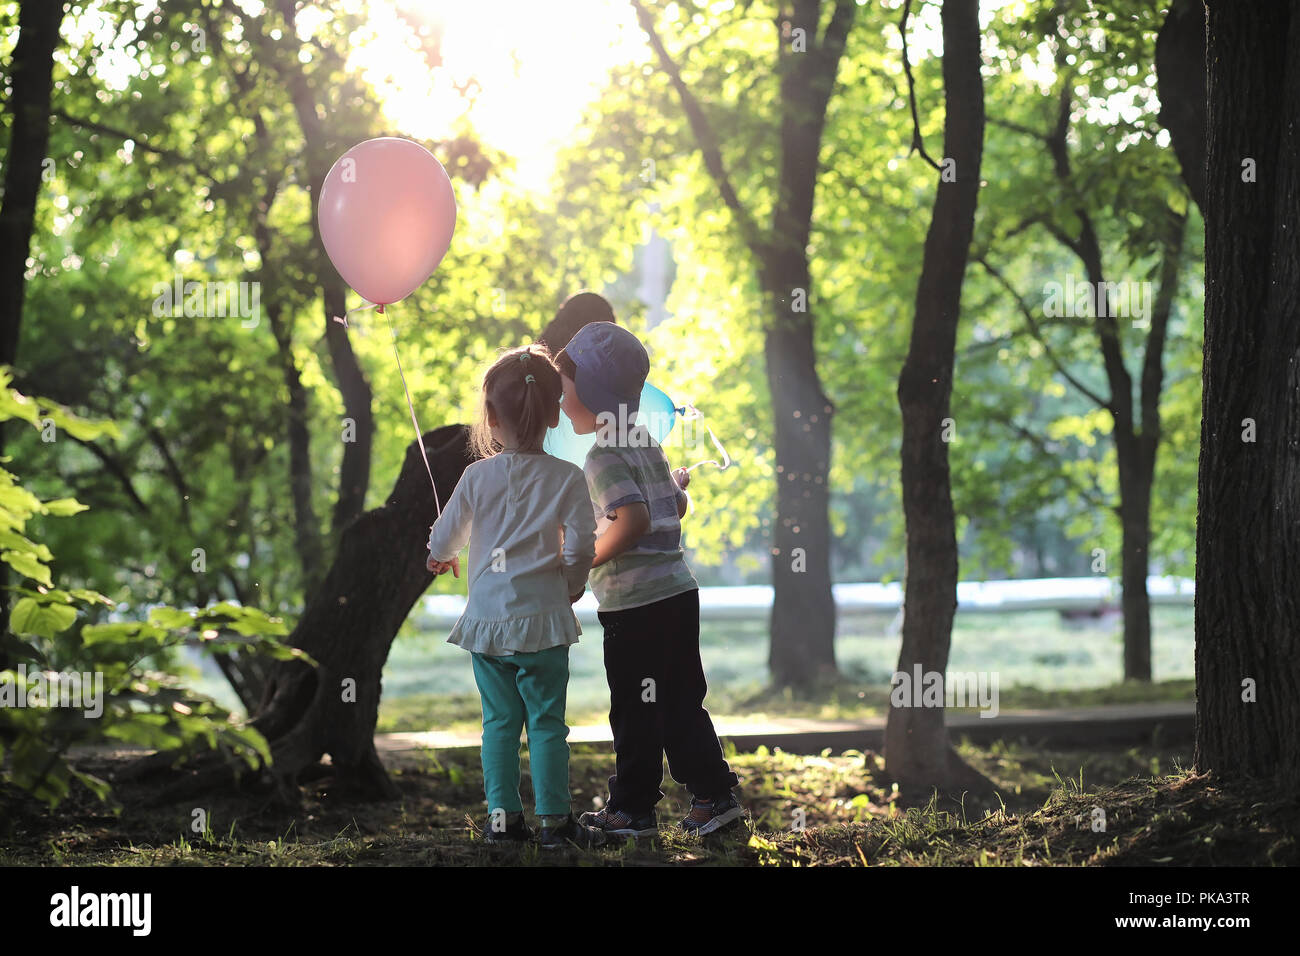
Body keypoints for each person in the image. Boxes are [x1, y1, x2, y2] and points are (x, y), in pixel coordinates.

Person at [554, 321, 744, 838]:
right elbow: (673, 510)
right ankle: (714, 798)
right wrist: (674, 488)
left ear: (589, 391)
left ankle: (631, 811)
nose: (558, 396)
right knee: (682, 701)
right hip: (678, 595)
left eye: (563, 385)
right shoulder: (643, 443)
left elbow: (631, 521)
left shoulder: (602, 457)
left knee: (636, 712)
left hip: (637, 607)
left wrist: (581, 559)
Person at [425, 343, 605, 849]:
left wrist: (440, 555)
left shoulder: (476, 477)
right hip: (544, 620)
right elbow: (582, 545)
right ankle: (555, 824)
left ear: (489, 415)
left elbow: (444, 538)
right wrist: (570, 586)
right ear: (553, 413)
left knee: (499, 725)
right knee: (547, 724)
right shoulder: (567, 478)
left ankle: (503, 822)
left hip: (487, 624)